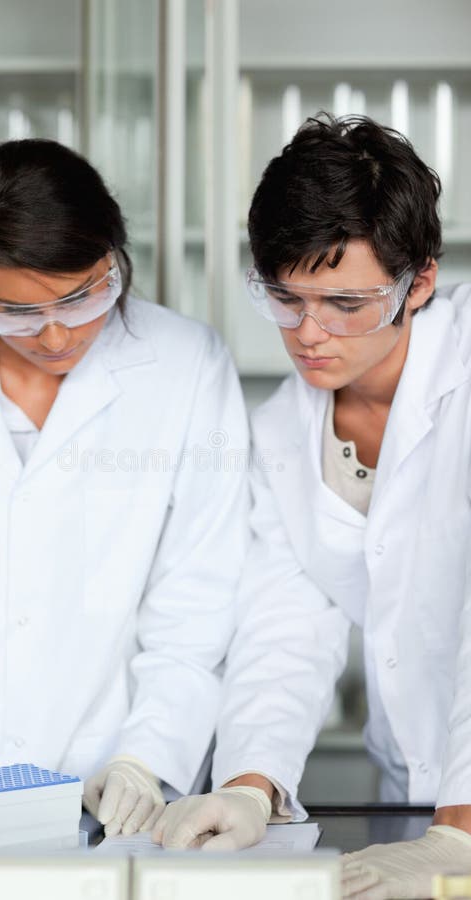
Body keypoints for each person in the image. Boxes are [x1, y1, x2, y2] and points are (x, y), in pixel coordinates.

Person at [0, 139, 249, 837]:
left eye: (81, 298)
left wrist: (146, 757)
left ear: (113, 257)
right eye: (13, 312)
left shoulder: (186, 365)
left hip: (109, 795)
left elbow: (200, 594)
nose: (53, 336)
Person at [152, 115, 471, 897]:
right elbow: (286, 626)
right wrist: (250, 785)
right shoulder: (280, 433)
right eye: (285, 298)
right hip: (414, 802)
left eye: (345, 303)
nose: (309, 334)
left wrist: (461, 829)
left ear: (418, 283)